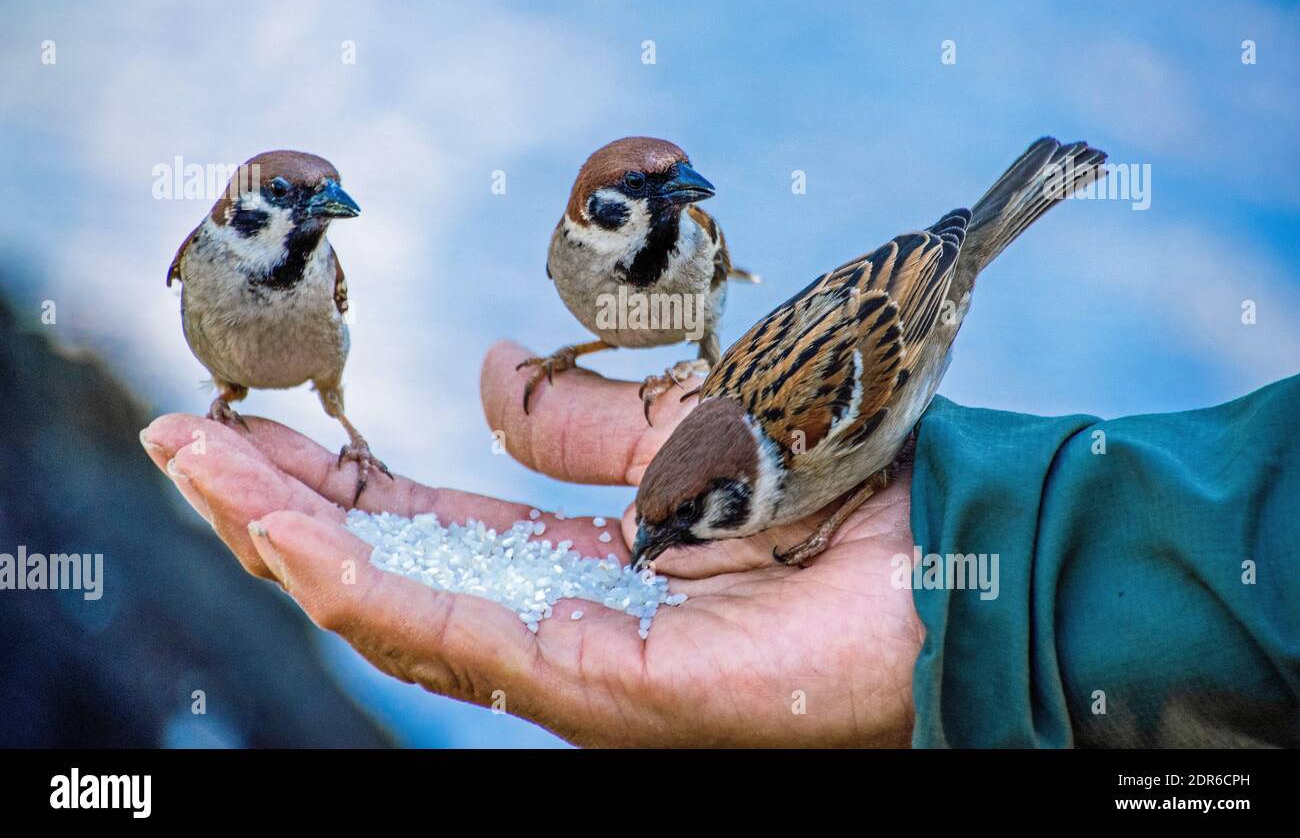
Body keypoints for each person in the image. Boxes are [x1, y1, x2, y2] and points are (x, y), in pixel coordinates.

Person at [139, 341, 1300, 747]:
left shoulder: (804, 444)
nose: (653, 557)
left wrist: (989, 569)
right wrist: (1007, 578)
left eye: (675, 527)